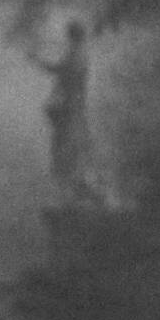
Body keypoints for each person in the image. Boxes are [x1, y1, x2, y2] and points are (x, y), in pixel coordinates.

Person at [41, 18, 95, 201]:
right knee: (69, 147)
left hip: (71, 107)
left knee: (68, 147)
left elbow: (63, 72)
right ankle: (73, 194)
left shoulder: (77, 54)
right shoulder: (77, 53)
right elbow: (63, 73)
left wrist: (39, 62)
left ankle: (74, 194)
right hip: (71, 106)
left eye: (70, 35)